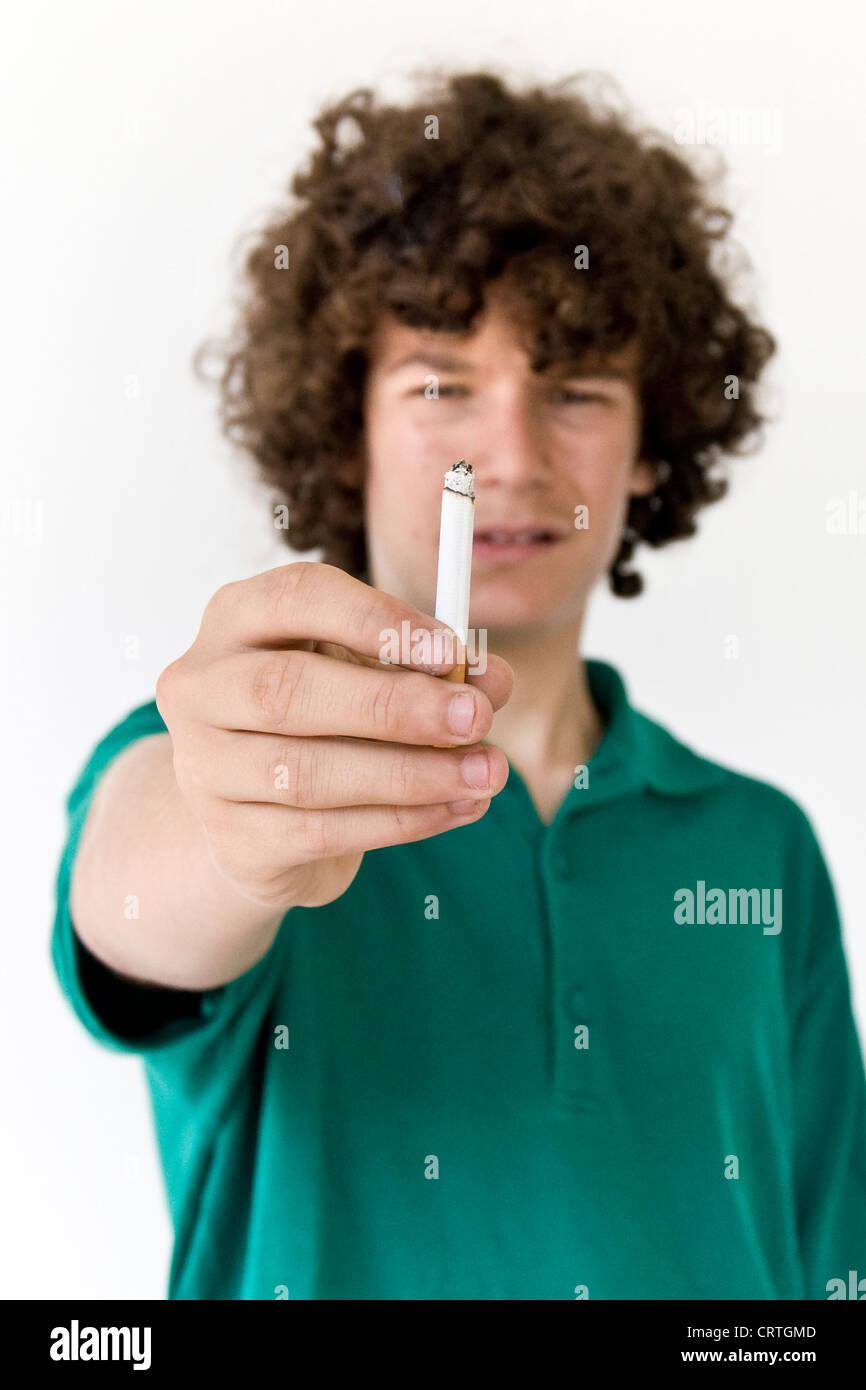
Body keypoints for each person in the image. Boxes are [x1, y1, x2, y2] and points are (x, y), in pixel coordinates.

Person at [52, 69, 866, 1300]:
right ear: (346, 426)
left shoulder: (762, 849)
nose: (511, 455)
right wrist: (230, 823)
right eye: (440, 383)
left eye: (576, 390)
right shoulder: (236, 752)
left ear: (650, 450)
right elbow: (138, 892)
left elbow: (826, 1261)